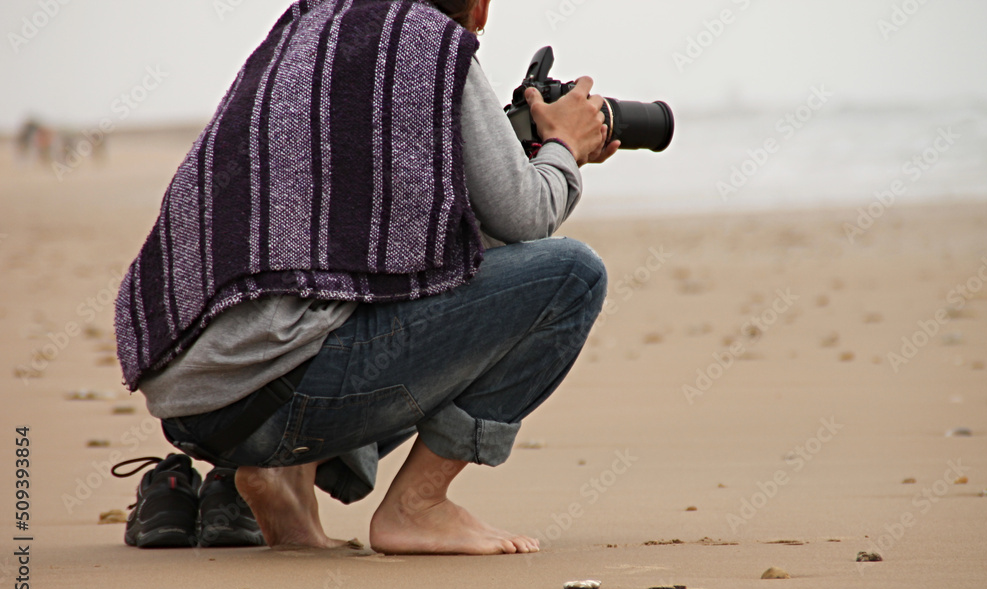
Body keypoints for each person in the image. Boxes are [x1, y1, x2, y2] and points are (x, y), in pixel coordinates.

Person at [114, 0, 617, 555]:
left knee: (330, 283)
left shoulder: (303, 32)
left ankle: (283, 477)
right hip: (280, 399)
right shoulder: (431, 42)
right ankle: (416, 507)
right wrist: (565, 147)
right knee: (574, 276)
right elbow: (525, 214)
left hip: (195, 411)